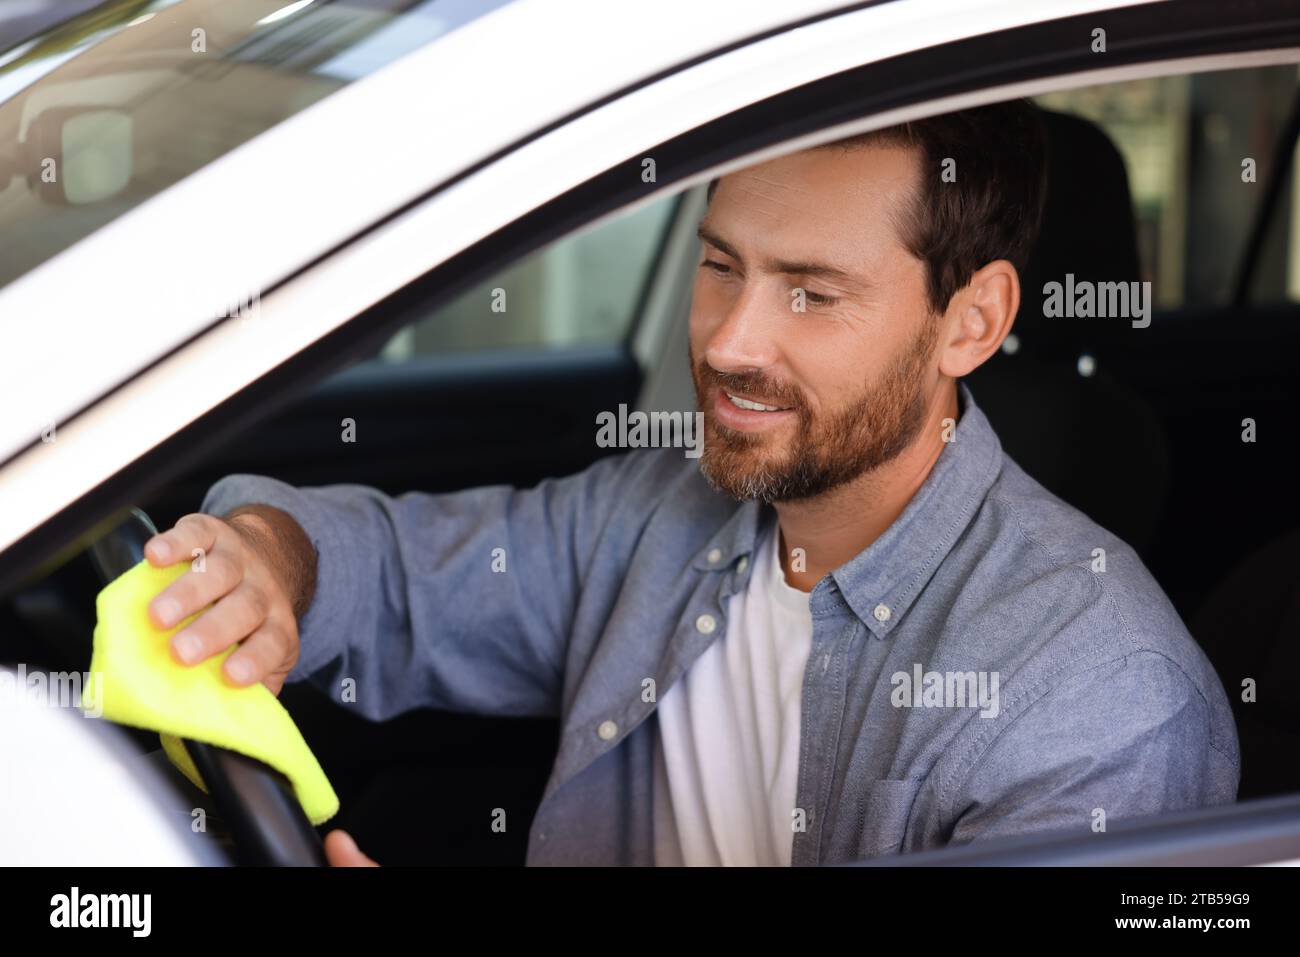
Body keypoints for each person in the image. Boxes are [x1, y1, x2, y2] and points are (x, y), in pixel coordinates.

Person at [141, 100, 1239, 867]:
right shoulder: (663, 514)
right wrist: (269, 563)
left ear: (972, 322)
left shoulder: (1098, 703)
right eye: (721, 266)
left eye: (810, 293)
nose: (726, 343)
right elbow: (398, 577)